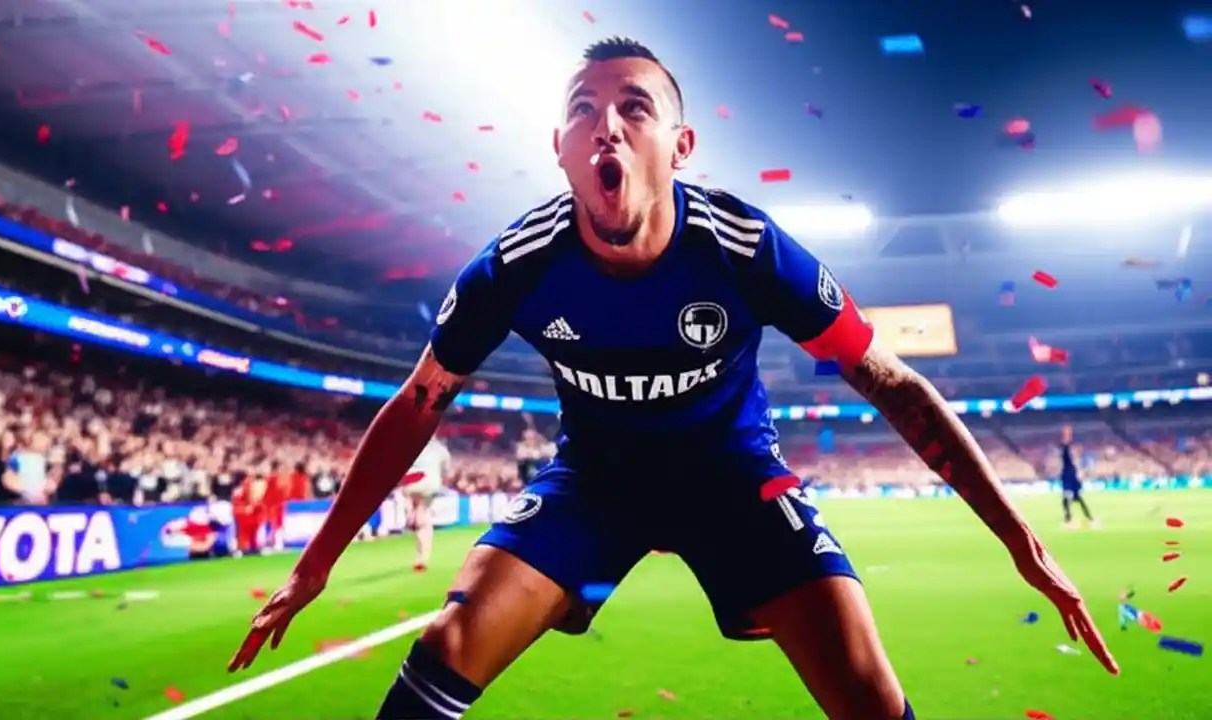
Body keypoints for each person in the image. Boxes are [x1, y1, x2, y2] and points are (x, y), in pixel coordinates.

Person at [229, 37, 1117, 719]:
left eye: (634, 108)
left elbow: (893, 384)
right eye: (584, 111)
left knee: (867, 688)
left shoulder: (745, 248)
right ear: (563, 148)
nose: (606, 124)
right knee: (448, 640)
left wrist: (1020, 540)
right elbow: (420, 402)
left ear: (679, 145)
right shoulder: (516, 264)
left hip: (734, 475)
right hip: (593, 484)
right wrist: (314, 567)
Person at [399, 433, 452, 572]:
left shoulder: (409, 443)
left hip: (410, 482)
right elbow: (446, 470)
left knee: (414, 509)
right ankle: (422, 556)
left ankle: (411, 514)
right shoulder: (440, 449)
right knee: (424, 516)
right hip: (430, 483)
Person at [1058, 424, 1097, 529]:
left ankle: (1073, 519)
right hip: (1069, 478)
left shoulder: (1072, 462)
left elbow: (1066, 449)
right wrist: (1067, 436)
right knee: (1071, 499)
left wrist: (1067, 436)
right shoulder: (1068, 458)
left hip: (1071, 479)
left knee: (1073, 499)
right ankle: (1074, 518)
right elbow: (1065, 448)